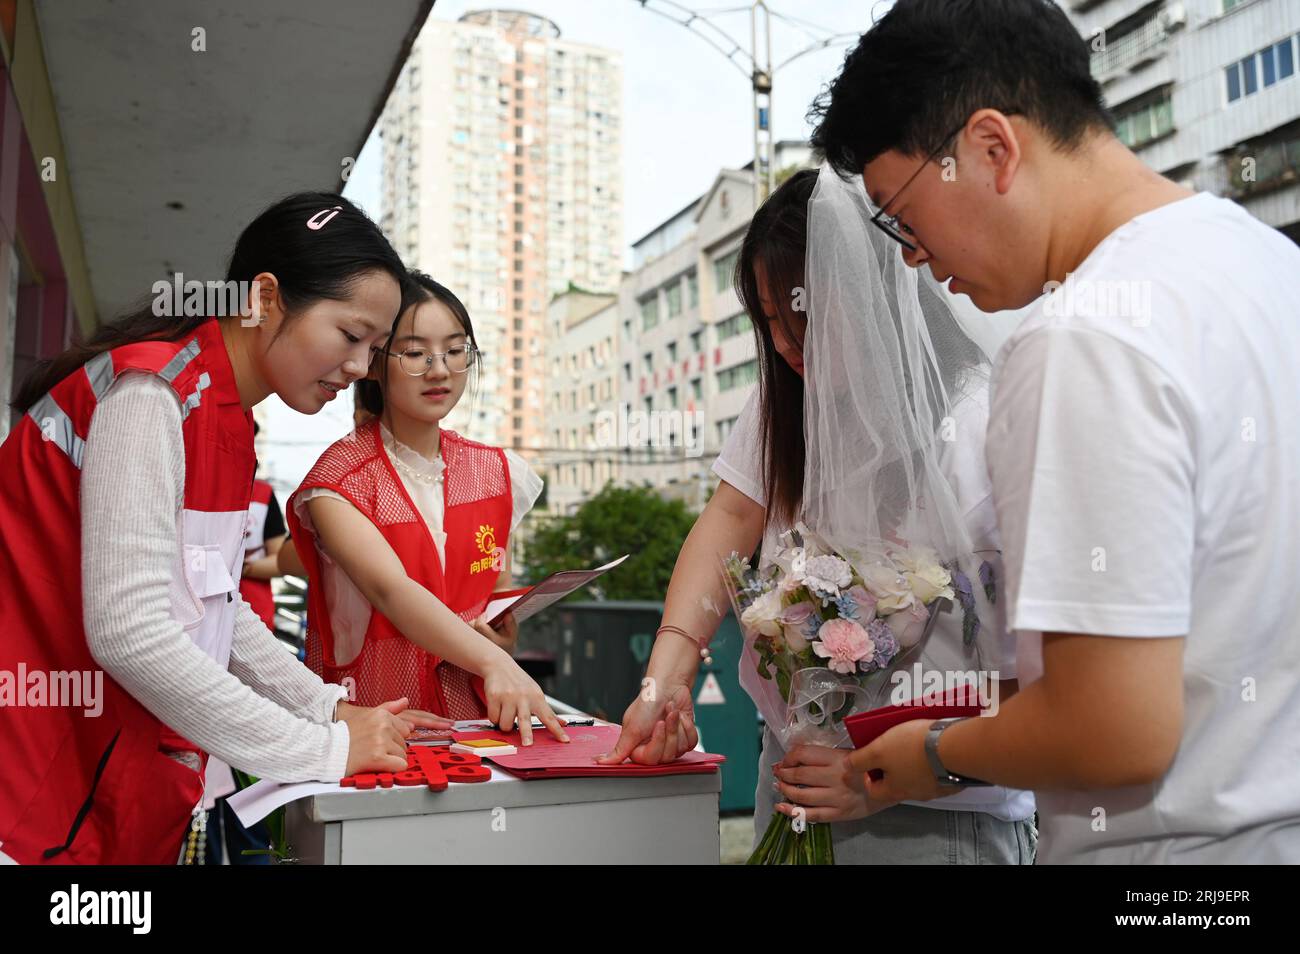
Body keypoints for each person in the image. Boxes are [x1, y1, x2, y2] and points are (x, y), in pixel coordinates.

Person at [812, 0, 1300, 863]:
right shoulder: (1271, 267)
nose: (912, 258)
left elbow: (1110, 729)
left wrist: (930, 756)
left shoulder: (1081, 339)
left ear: (992, 148)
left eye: (899, 216)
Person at [601, 167, 1035, 863]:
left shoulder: (984, 423)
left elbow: (1042, 674)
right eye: (768, 321)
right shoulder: (786, 404)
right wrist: (668, 674)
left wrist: (898, 773)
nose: (784, 345)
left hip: (935, 812)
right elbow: (732, 517)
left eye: (800, 317)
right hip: (796, 781)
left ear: (872, 298)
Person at [0, 192, 447, 865]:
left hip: (93, 777)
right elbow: (131, 632)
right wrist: (323, 748)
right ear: (266, 298)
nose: (361, 368)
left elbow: (214, 608)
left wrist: (328, 711)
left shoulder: (226, 414)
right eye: (351, 336)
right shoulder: (152, 394)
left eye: (376, 349)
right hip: (30, 784)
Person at [288, 272, 568, 745]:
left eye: (456, 351)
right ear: (374, 363)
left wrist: (502, 638)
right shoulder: (338, 481)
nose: (439, 370)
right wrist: (496, 661)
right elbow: (391, 592)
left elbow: (496, 589)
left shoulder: (498, 472)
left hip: (479, 729)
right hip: (375, 727)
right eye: (416, 354)